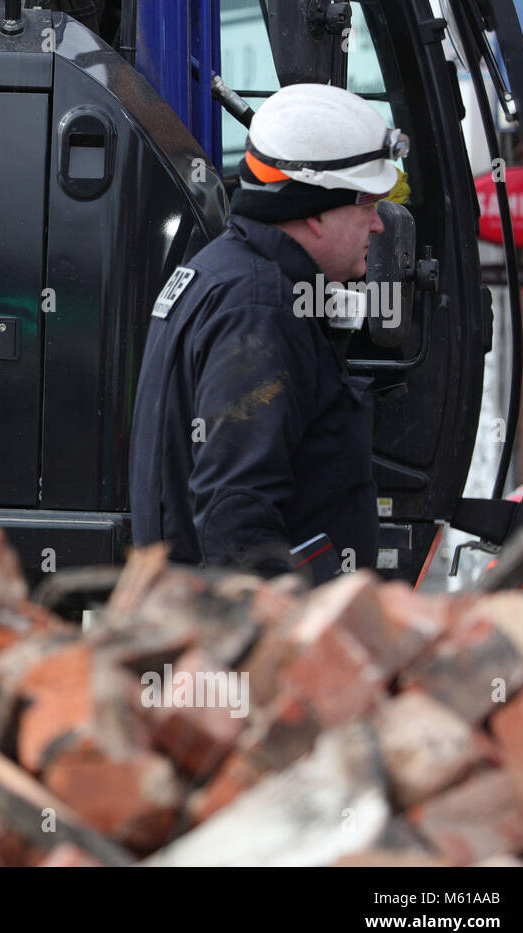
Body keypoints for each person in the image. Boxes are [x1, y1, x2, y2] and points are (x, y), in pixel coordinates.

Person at [129, 83, 408, 581]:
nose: (379, 226)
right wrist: (282, 641)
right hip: (262, 643)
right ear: (316, 212)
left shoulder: (226, 273)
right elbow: (237, 514)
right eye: (367, 205)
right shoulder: (260, 309)